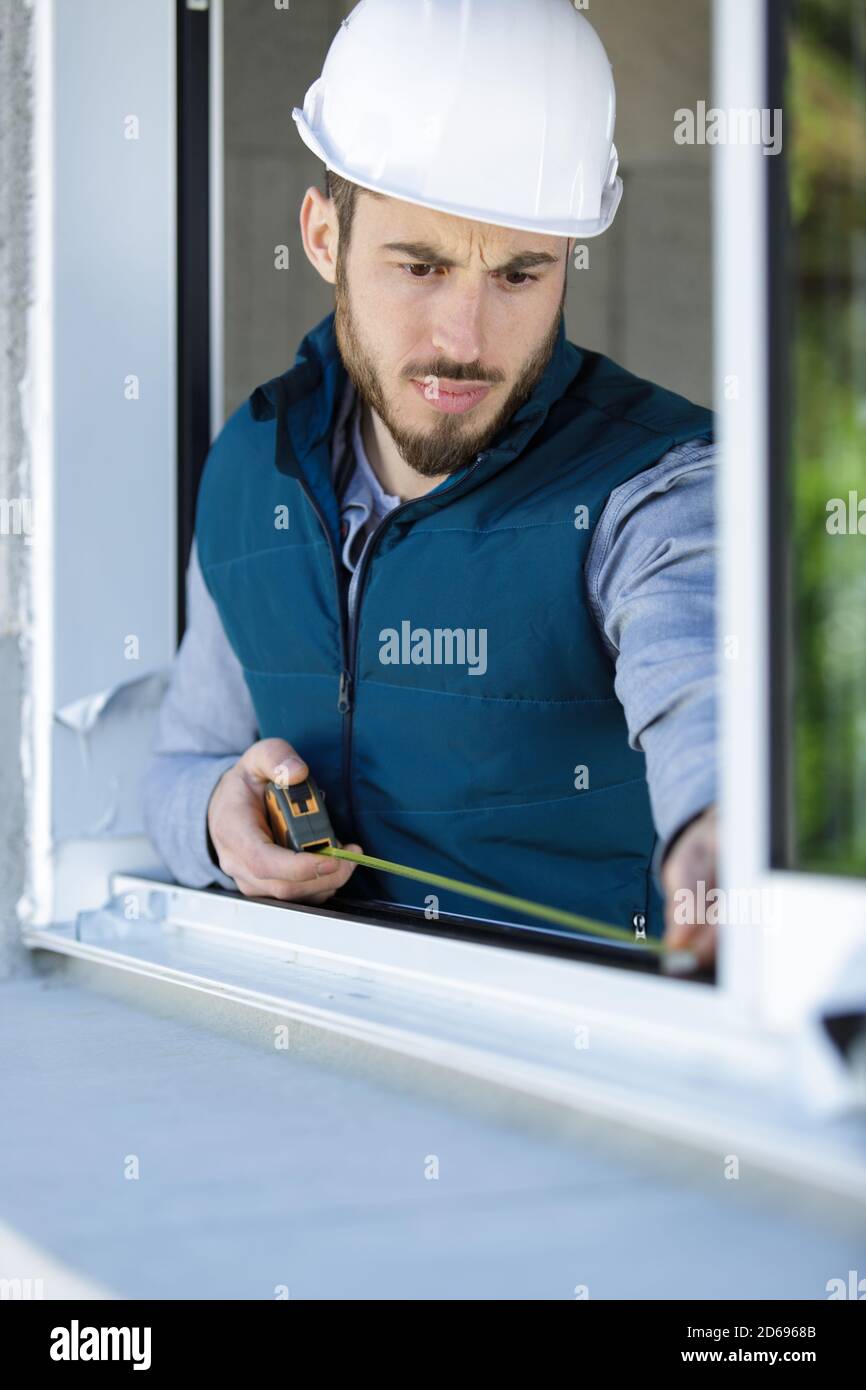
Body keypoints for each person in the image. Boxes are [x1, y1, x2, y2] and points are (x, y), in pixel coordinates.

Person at [142, 0, 718, 967]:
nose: (465, 339)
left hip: (584, 1076)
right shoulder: (252, 467)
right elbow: (180, 759)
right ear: (324, 238)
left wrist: (723, 824)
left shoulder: (656, 486)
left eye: (521, 277)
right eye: (421, 266)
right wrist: (212, 818)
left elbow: (708, 681)